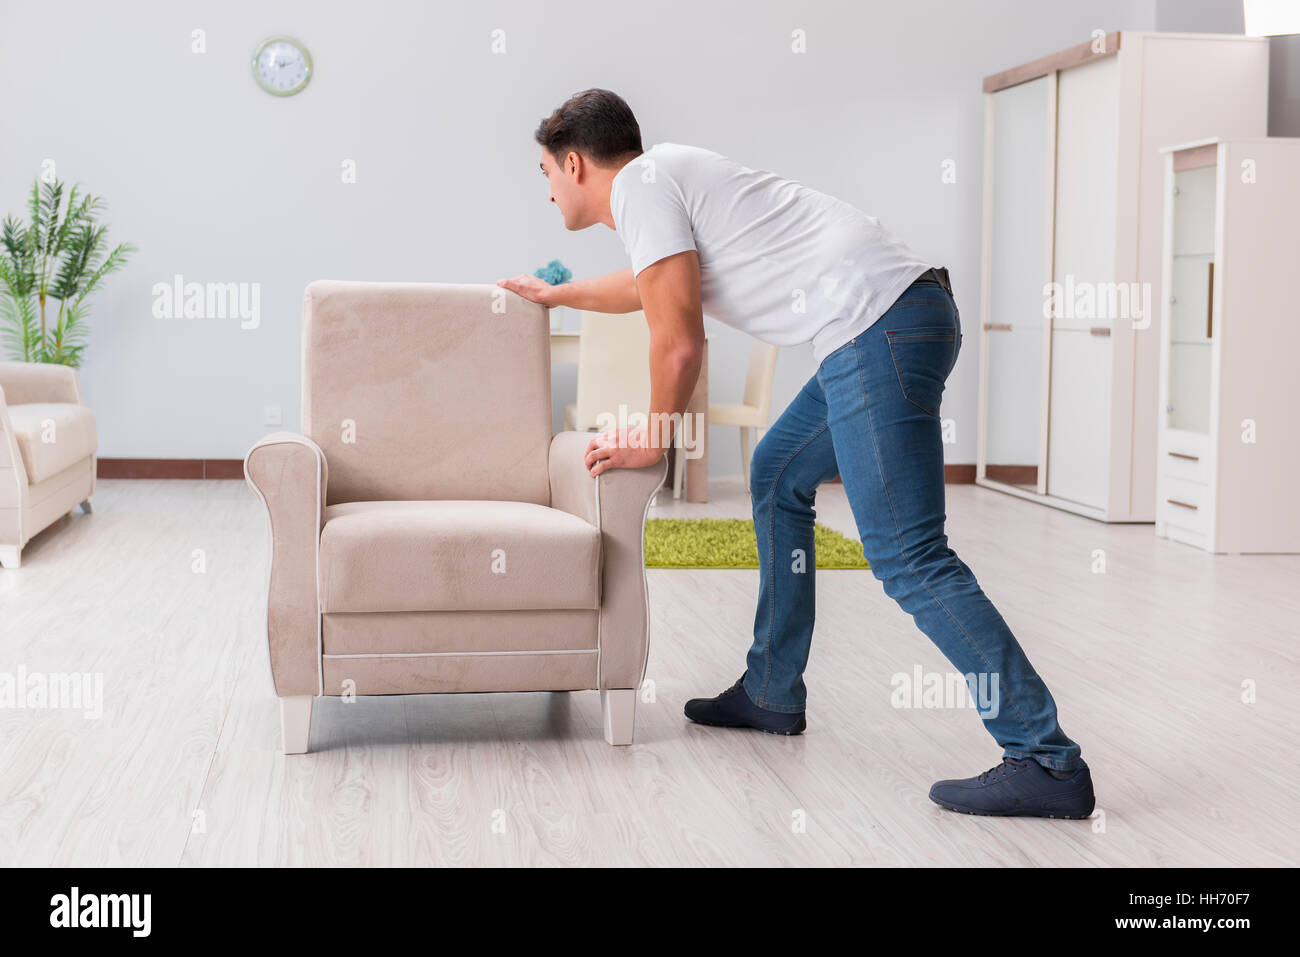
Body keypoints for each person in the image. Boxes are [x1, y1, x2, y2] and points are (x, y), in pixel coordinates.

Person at [498, 88, 1094, 819]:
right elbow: (646, 287)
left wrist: (653, 432)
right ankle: (772, 689)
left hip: (875, 326)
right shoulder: (659, 186)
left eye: (546, 172)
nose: (548, 187)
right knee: (777, 472)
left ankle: (1044, 755)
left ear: (573, 161)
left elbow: (680, 337)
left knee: (909, 555)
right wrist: (558, 297)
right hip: (891, 317)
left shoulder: (645, 185)